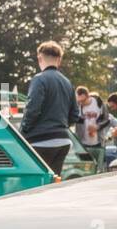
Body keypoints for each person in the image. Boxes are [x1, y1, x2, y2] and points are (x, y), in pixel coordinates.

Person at [19, 41, 78, 175]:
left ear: (40, 58)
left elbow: (32, 110)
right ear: (59, 60)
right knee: (53, 183)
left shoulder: (39, 79)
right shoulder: (67, 82)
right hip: (63, 141)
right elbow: (75, 114)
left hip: (39, 141)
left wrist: (23, 131)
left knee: (36, 184)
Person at [75, 86, 111, 171]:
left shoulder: (98, 103)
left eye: (83, 101)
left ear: (87, 96)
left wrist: (97, 127)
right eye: (79, 101)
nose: (81, 103)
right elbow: (75, 120)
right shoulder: (78, 106)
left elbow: (107, 119)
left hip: (98, 142)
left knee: (99, 168)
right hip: (83, 144)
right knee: (85, 169)